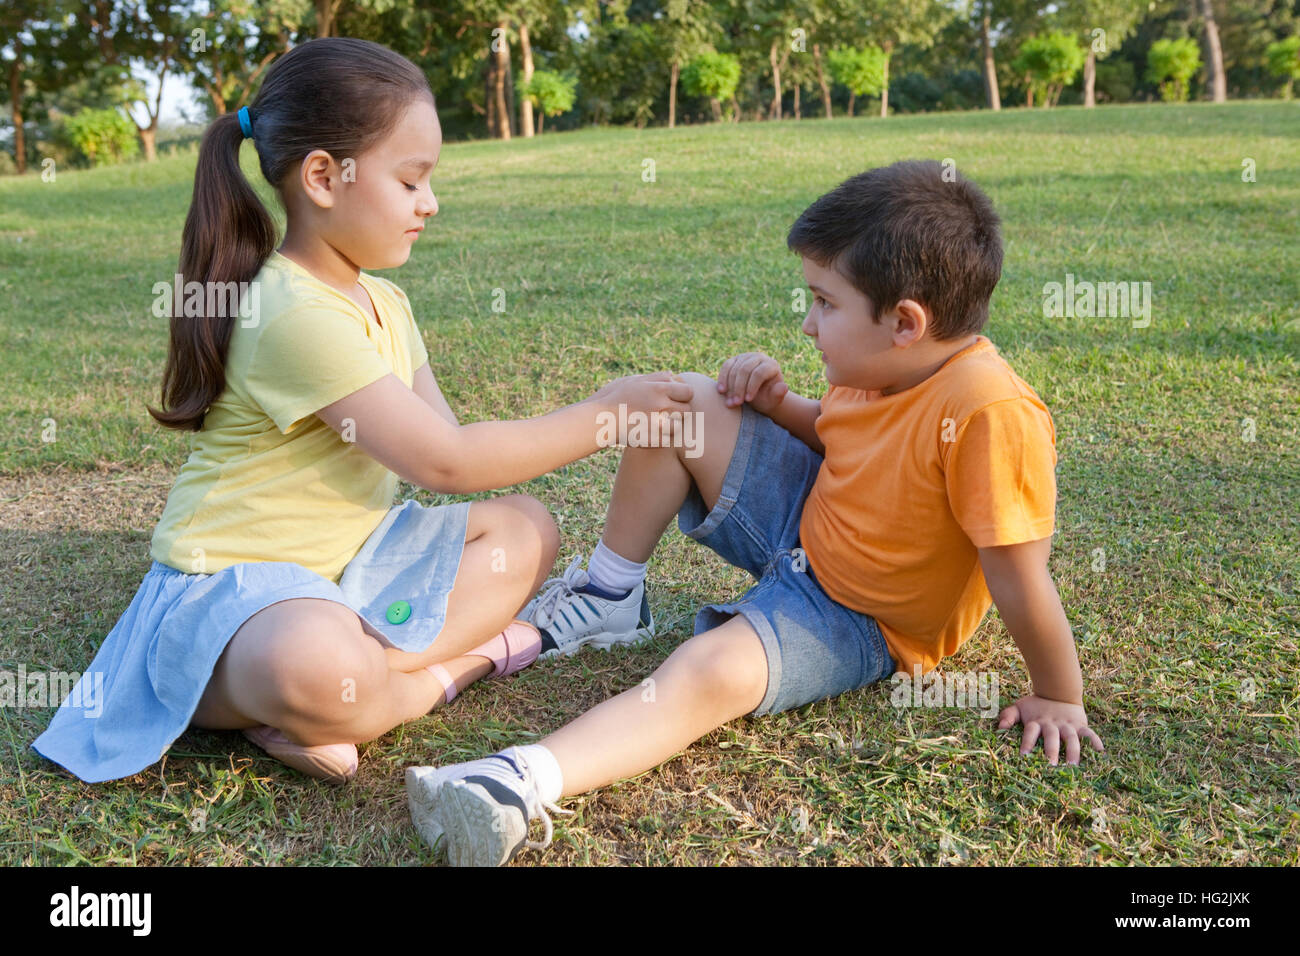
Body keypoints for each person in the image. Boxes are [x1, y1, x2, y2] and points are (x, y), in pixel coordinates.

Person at [406, 159, 1106, 866]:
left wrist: (1058, 694)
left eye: (825, 303)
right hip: (807, 523)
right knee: (676, 405)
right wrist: (777, 404)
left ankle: (517, 782)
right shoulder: (882, 367)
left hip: (859, 618)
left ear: (905, 322)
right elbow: (835, 435)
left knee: (711, 671)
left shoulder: (988, 413)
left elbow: (1020, 577)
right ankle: (611, 594)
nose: (808, 324)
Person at [31, 37, 691, 785]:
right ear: (323, 177)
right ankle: (433, 676)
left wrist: (603, 410)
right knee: (315, 661)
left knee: (526, 530)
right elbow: (445, 465)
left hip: (352, 565)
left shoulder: (384, 300)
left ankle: (351, 699)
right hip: (238, 589)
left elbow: (448, 442)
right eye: (411, 180)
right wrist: (605, 414)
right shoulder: (290, 311)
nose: (430, 202)